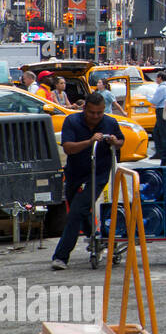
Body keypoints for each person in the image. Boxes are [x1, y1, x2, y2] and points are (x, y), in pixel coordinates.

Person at [50, 92, 124, 270]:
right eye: (92, 113)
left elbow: (121, 140)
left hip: (98, 173)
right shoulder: (72, 122)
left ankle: (61, 256)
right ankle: (98, 238)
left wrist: (115, 141)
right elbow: (68, 148)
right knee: (80, 210)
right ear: (84, 109)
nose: (96, 117)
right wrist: (90, 141)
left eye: (99, 113)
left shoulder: (110, 122)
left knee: (76, 211)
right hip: (75, 172)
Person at [147, 69, 166, 160]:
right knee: (157, 132)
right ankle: (160, 152)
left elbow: (155, 100)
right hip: (162, 109)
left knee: (163, 132)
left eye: (157, 78)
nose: (156, 80)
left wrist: (147, 97)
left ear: (160, 78)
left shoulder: (162, 88)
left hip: (161, 111)